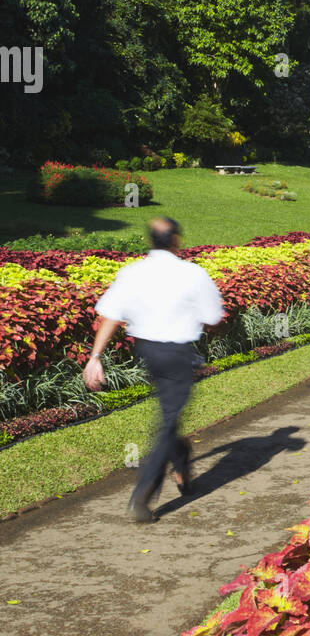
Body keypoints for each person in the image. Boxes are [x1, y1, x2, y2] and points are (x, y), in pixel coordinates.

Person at [83, 216, 225, 522]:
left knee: (170, 417)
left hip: (147, 352)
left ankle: (182, 462)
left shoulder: (132, 272)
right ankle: (142, 496)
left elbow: (110, 315)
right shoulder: (193, 273)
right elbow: (214, 318)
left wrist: (95, 357)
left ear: (152, 240)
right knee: (167, 422)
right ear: (176, 240)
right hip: (177, 355)